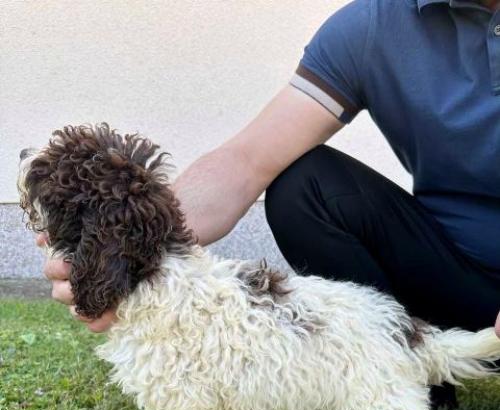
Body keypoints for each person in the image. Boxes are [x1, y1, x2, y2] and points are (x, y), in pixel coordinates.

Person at [39, 0, 500, 371]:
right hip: (453, 273)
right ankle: (395, 372)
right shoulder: (376, 26)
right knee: (304, 185)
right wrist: (129, 247)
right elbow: (245, 162)